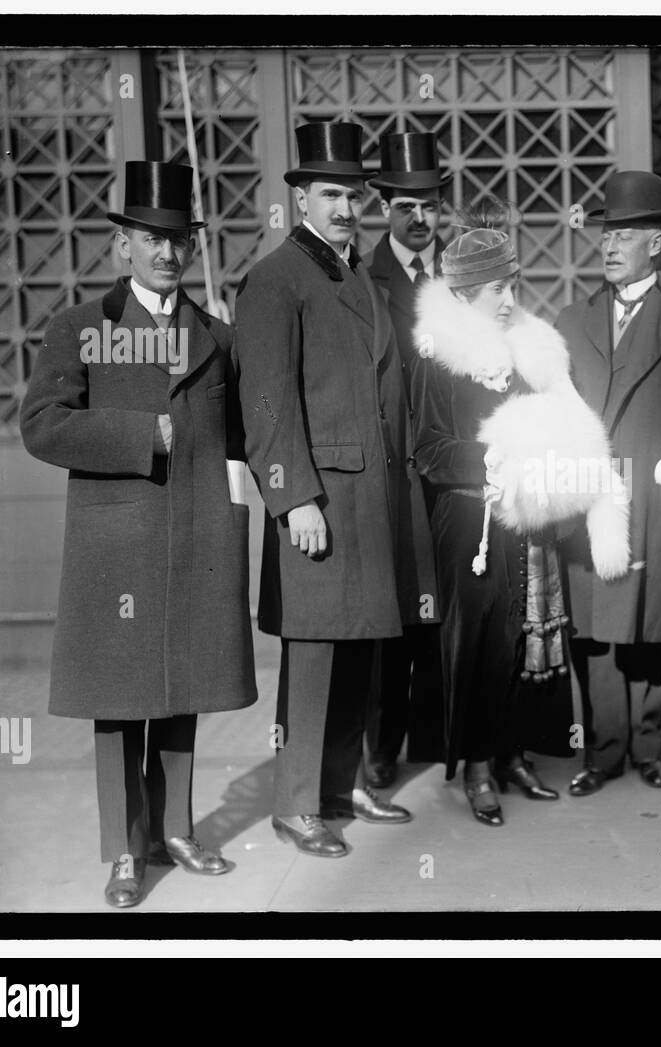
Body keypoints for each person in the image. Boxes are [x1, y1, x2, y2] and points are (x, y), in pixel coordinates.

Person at [20, 160, 256, 907]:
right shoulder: (79, 328)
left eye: (177, 238)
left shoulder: (216, 335)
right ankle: (125, 850)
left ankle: (175, 829)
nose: (166, 252)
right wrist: (141, 435)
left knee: (186, 687)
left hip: (195, 538)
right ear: (122, 243)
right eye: (151, 238)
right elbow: (41, 425)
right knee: (118, 700)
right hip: (115, 547)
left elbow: (249, 434)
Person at [234, 122, 438, 857]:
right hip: (317, 500)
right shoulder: (275, 279)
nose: (345, 208)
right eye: (330, 195)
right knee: (316, 653)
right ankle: (296, 805)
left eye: (353, 195)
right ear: (300, 200)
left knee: (358, 650)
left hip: (369, 500)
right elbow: (265, 400)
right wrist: (292, 498)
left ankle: (337, 786)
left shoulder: (357, 278)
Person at [410, 199, 630, 826]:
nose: (508, 300)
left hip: (529, 519)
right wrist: (491, 457)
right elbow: (427, 448)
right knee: (479, 643)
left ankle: (514, 753)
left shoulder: (533, 352)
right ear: (464, 294)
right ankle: (477, 765)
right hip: (471, 525)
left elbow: (565, 423)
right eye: (495, 290)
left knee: (522, 636)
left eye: (512, 286)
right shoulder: (438, 355)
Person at [555, 171, 661, 796]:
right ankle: (602, 752)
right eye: (605, 234)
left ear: (656, 243)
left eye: (624, 236)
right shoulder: (570, 320)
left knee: (647, 626)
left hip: (651, 498)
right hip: (585, 494)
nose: (609, 245)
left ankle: (649, 748)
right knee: (593, 629)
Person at [360, 131, 451, 788]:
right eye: (405, 207)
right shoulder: (361, 281)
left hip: (457, 466)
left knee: (448, 607)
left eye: (430, 206)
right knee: (392, 612)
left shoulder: (465, 274)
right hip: (391, 469)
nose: (420, 219)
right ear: (384, 208)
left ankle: (445, 739)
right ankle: (381, 747)